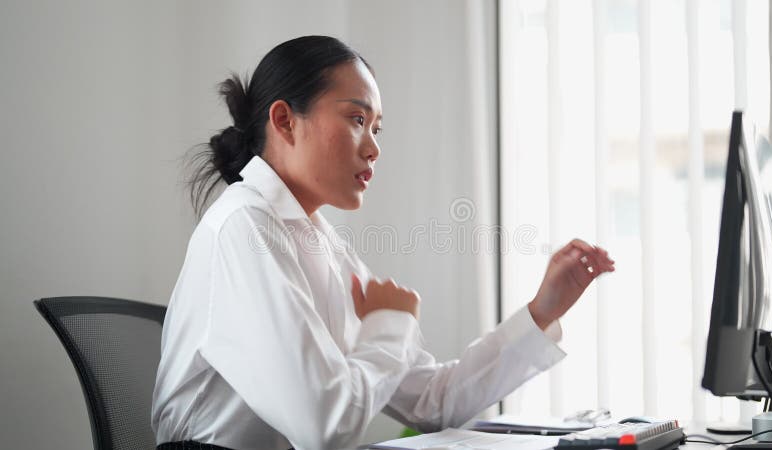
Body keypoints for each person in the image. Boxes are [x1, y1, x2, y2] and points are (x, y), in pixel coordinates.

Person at [151, 35, 615, 450]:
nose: (373, 147)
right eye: (356, 118)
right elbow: (322, 425)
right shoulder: (243, 228)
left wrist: (542, 312)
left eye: (376, 128)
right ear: (285, 121)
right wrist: (389, 326)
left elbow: (434, 402)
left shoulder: (321, 244)